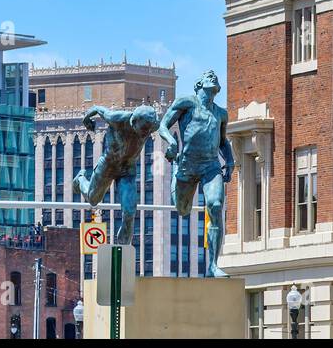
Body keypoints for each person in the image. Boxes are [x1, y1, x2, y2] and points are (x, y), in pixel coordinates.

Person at [158, 70, 233, 277]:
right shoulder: (187, 103)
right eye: (208, 76)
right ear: (199, 85)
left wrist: (230, 160)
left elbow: (223, 142)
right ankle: (175, 172)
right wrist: (172, 142)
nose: (213, 77)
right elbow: (163, 126)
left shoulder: (220, 113)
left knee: (216, 206)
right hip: (187, 165)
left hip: (211, 166)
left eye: (214, 77)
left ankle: (213, 266)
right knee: (182, 210)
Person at [73, 104, 160, 245]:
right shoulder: (117, 119)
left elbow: (163, 129)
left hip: (127, 170)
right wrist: (87, 118)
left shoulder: (152, 125)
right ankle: (80, 179)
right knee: (93, 199)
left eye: (149, 130)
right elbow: (98, 109)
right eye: (143, 129)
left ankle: (122, 249)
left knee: (129, 213)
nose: (145, 133)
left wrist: (172, 143)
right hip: (108, 165)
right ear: (134, 122)